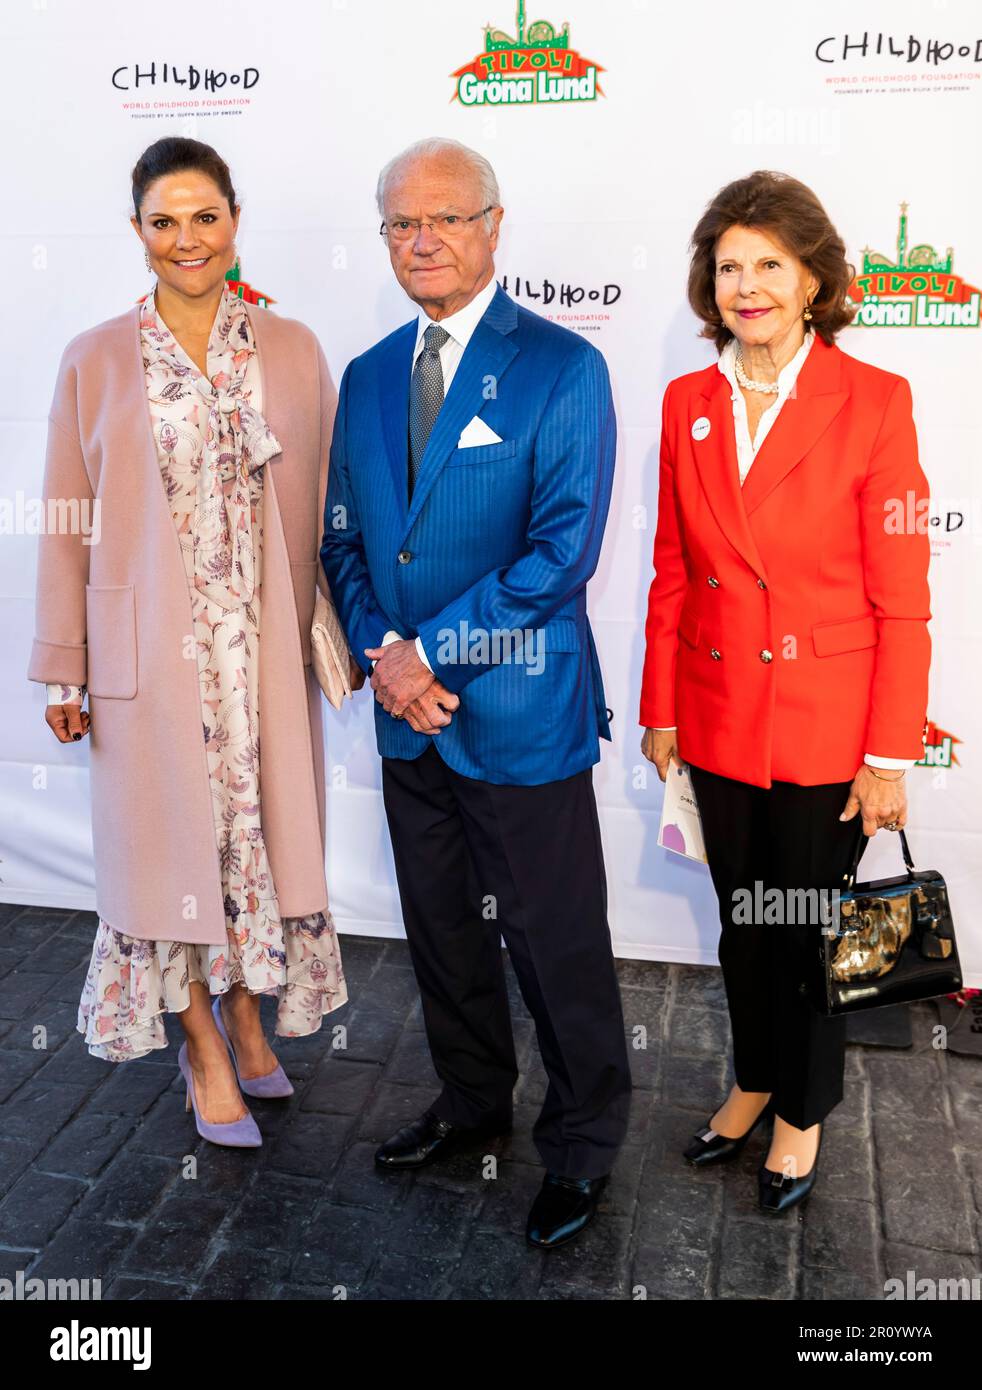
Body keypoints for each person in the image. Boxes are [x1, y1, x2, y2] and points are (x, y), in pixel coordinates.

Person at [320, 136, 631, 1249]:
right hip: (409, 725)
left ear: (494, 226)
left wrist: (425, 660)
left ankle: (586, 1143)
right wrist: (377, 652)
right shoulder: (363, 377)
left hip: (516, 716)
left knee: (554, 945)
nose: (424, 240)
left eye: (446, 218)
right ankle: (470, 1105)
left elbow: (560, 553)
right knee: (444, 936)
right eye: (403, 223)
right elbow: (343, 540)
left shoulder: (559, 366)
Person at [28, 137, 353, 1146]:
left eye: (204, 216)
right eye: (162, 221)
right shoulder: (92, 356)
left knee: (252, 845)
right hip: (147, 665)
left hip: (260, 654)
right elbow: (67, 516)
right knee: (163, 853)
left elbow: (336, 507)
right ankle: (201, 1045)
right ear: (136, 233)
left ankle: (251, 1016)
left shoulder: (294, 348)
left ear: (235, 220)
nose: (186, 240)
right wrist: (64, 661)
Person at [639, 170, 931, 1214]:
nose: (748, 285)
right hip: (715, 721)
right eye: (729, 267)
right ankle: (752, 1076)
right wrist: (660, 708)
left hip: (825, 731)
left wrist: (889, 753)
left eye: (770, 265)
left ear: (813, 279)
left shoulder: (874, 402)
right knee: (738, 923)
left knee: (807, 927)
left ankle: (800, 1110)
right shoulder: (687, 404)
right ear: (707, 283)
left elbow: (904, 601)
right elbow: (672, 567)